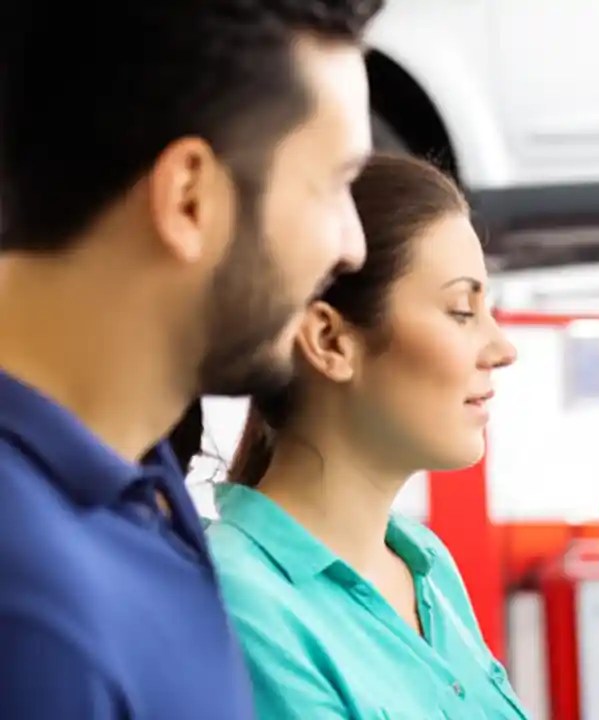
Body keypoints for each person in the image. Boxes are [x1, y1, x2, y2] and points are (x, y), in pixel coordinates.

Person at [0, 1, 380, 717]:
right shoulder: (29, 617)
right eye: (333, 186)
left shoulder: (133, 474)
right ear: (189, 197)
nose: (351, 245)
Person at [204, 153, 528, 719]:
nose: (502, 349)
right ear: (330, 341)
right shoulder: (242, 603)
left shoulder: (424, 562)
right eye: (460, 310)